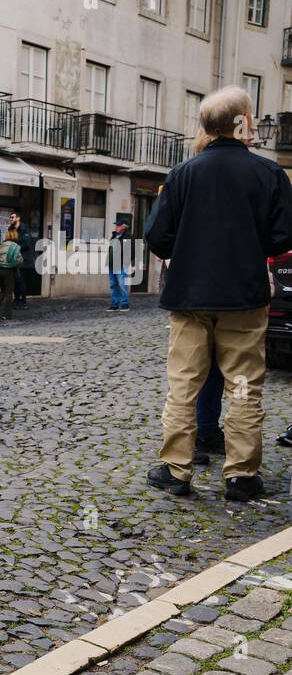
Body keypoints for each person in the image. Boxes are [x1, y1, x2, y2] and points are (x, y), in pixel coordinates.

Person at [145, 85, 292, 502]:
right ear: (243, 121)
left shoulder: (182, 174)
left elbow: (157, 237)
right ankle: (242, 476)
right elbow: (284, 238)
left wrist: (187, 246)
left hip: (190, 297)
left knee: (184, 386)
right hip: (244, 298)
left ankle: (177, 470)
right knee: (244, 385)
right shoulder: (268, 174)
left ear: (206, 126)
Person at [0, 227, 22, 320]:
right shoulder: (15, 246)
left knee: (2, 291)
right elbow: (19, 260)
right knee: (9, 293)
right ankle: (7, 314)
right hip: (9, 271)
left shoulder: (1, 244)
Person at [9, 211, 33, 309]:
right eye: (10, 217)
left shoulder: (24, 229)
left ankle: (23, 301)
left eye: (12, 217)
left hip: (23, 260)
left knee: (21, 281)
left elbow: (27, 244)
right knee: (16, 281)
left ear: (18, 218)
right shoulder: (11, 229)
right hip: (14, 259)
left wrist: (15, 247)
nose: (11, 219)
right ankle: (17, 300)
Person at [107, 219, 132, 312]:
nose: (116, 227)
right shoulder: (114, 235)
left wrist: (129, 261)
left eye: (118, 225)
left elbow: (132, 250)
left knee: (122, 284)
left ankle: (124, 304)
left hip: (121, 264)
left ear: (124, 227)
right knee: (113, 284)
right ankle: (114, 304)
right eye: (116, 225)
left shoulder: (128, 236)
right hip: (111, 263)